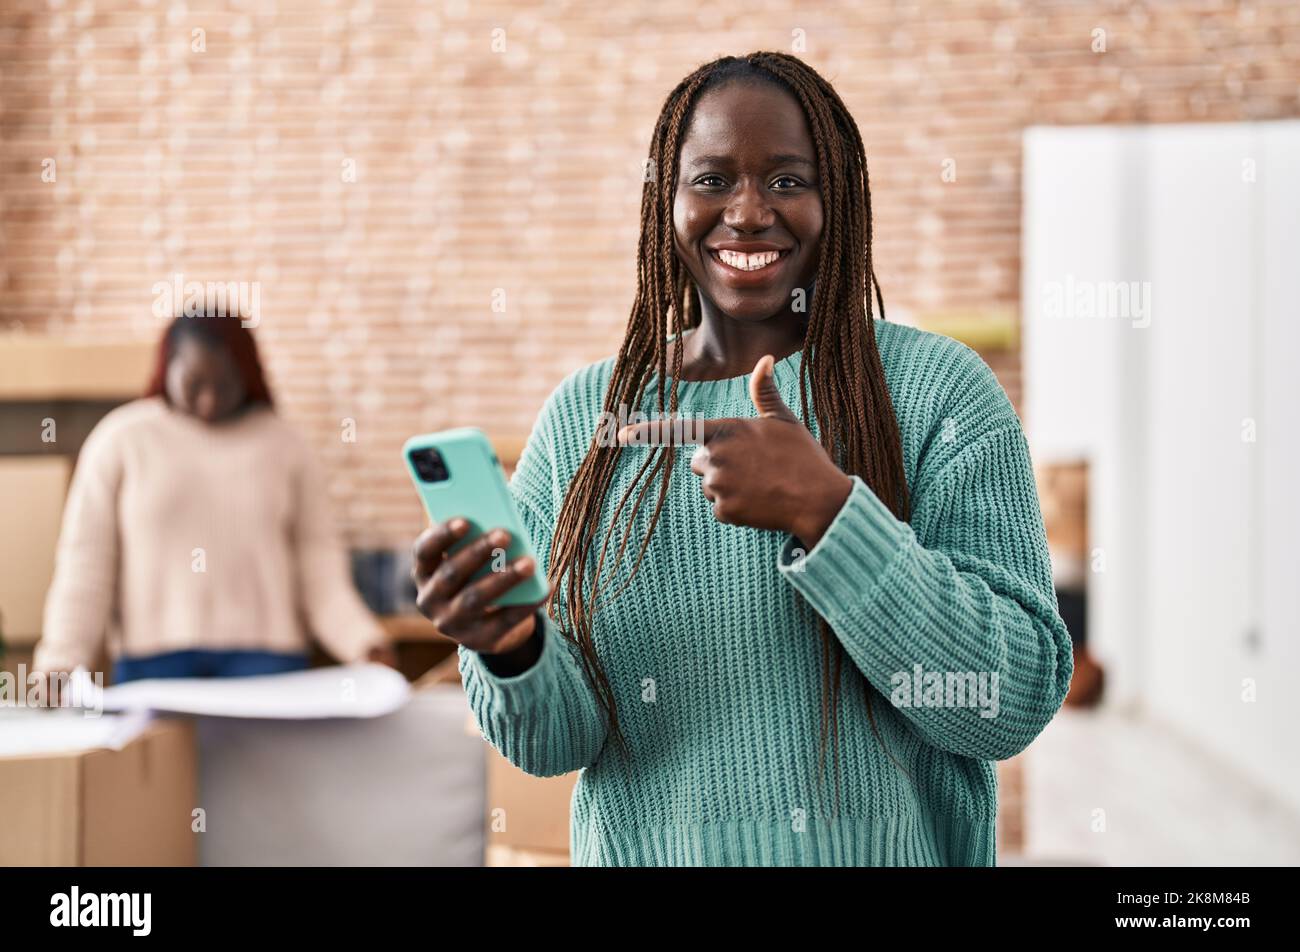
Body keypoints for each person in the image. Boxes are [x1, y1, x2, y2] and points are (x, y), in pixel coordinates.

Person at [411, 52, 1073, 866]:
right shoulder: (590, 418)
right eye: (713, 180)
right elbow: (557, 744)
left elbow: (1008, 704)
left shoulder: (938, 393)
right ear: (669, 203)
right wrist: (507, 647)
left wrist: (830, 515)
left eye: (789, 181)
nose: (750, 211)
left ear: (842, 201)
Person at [34, 311, 393, 686]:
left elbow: (319, 567)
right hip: (153, 667)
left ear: (248, 376)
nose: (208, 401)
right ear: (167, 368)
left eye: (223, 385)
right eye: (194, 383)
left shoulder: (286, 446)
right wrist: (61, 658)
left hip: (267, 666)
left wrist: (363, 644)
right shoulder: (120, 440)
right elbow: (86, 564)